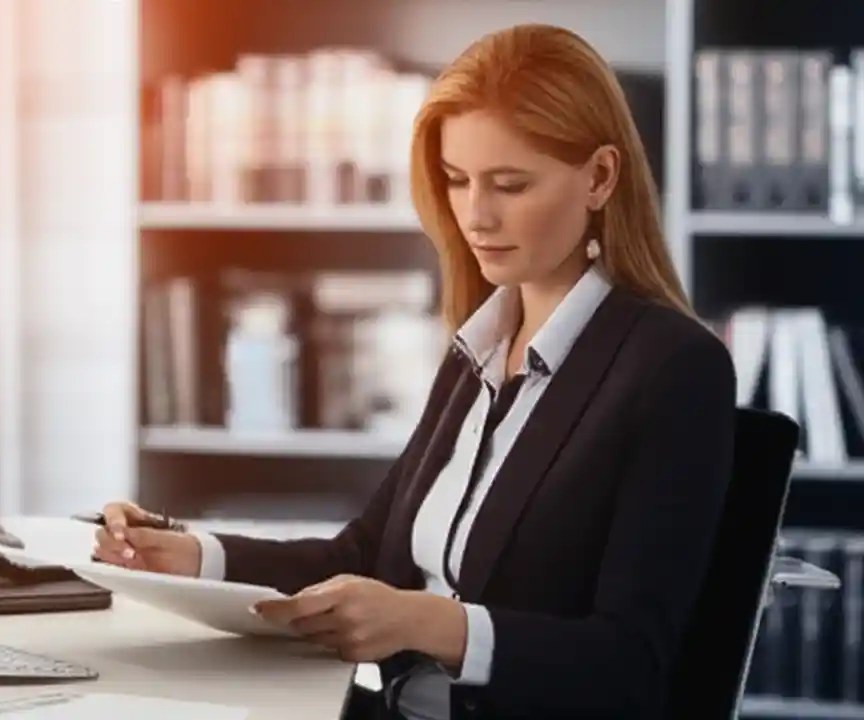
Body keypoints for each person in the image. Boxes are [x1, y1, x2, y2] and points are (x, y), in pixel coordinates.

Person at [93, 23, 735, 720]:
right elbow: (367, 554)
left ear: (600, 177)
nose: (475, 216)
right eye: (457, 181)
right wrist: (195, 559)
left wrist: (428, 624)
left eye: (510, 184)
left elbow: (631, 666)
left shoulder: (671, 368)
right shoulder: (483, 346)